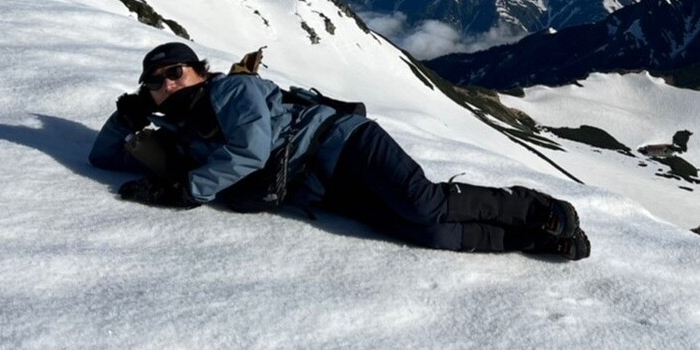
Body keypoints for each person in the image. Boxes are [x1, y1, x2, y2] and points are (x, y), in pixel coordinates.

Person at [89, 41, 591, 259]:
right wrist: (127, 117)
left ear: (198, 70)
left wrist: (186, 191)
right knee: (430, 234)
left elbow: (251, 152)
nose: (167, 85)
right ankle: (536, 241)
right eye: (154, 83)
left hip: (346, 144)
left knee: (425, 205)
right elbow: (104, 158)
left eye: (175, 72)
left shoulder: (231, 92)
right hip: (319, 189)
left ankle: (538, 210)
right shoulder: (179, 135)